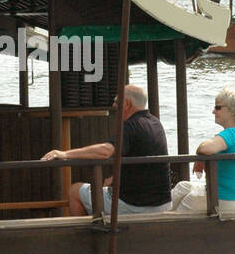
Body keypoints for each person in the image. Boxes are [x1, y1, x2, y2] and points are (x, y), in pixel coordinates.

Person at [41, 84, 172, 216]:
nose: (114, 105)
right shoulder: (156, 123)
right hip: (163, 204)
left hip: (133, 205)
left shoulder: (129, 126)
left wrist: (64, 153)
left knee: (75, 190)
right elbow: (143, 159)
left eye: (116, 101)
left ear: (126, 103)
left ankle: (84, 236)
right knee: (105, 187)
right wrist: (116, 178)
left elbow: (105, 151)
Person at [171, 88, 235, 214]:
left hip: (224, 198)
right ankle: (159, 213)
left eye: (218, 107)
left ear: (233, 112)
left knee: (182, 207)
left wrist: (200, 155)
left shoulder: (231, 134)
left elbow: (204, 148)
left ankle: (159, 223)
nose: (213, 111)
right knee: (182, 187)